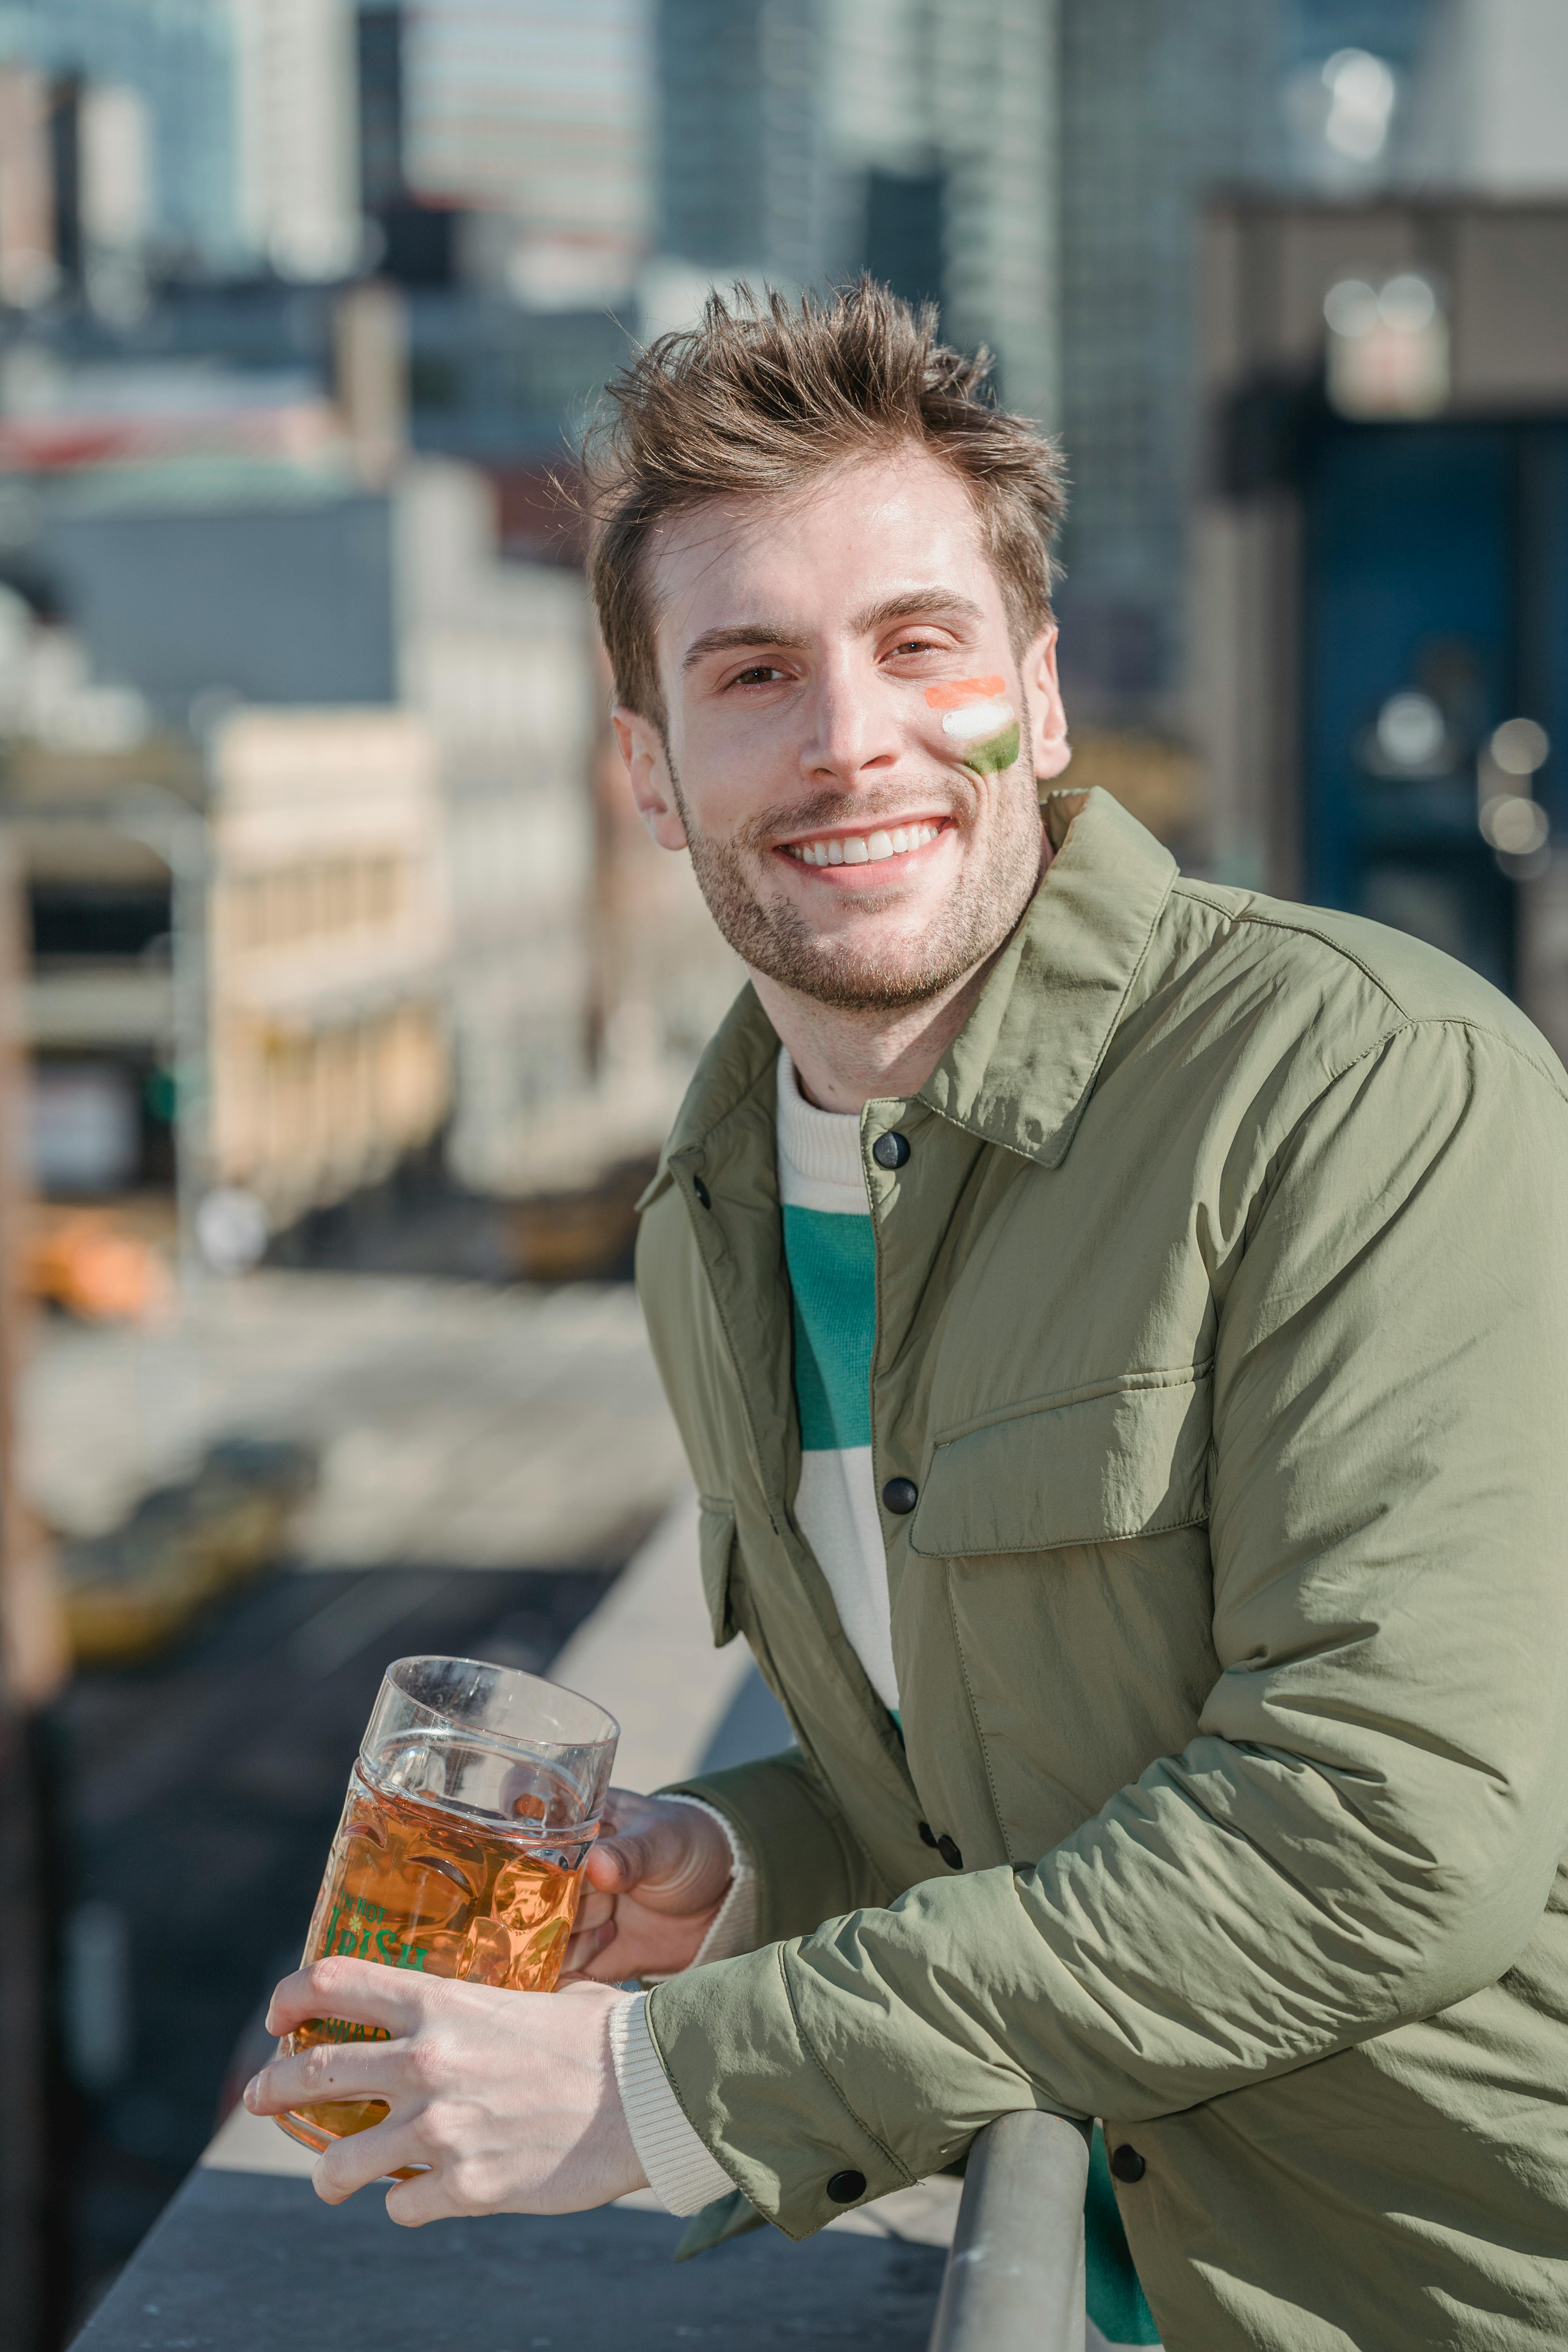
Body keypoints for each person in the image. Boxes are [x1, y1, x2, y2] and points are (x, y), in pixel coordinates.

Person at [247, 283, 1568, 2352]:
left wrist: (663, 2086)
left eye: (918, 645)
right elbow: (1002, 1788)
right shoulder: (711, 1209)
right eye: (753, 672)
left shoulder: (1365, 1085)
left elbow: (1385, 1832)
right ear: (651, 774)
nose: (849, 739)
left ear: (1035, 699)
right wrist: (739, 1872)